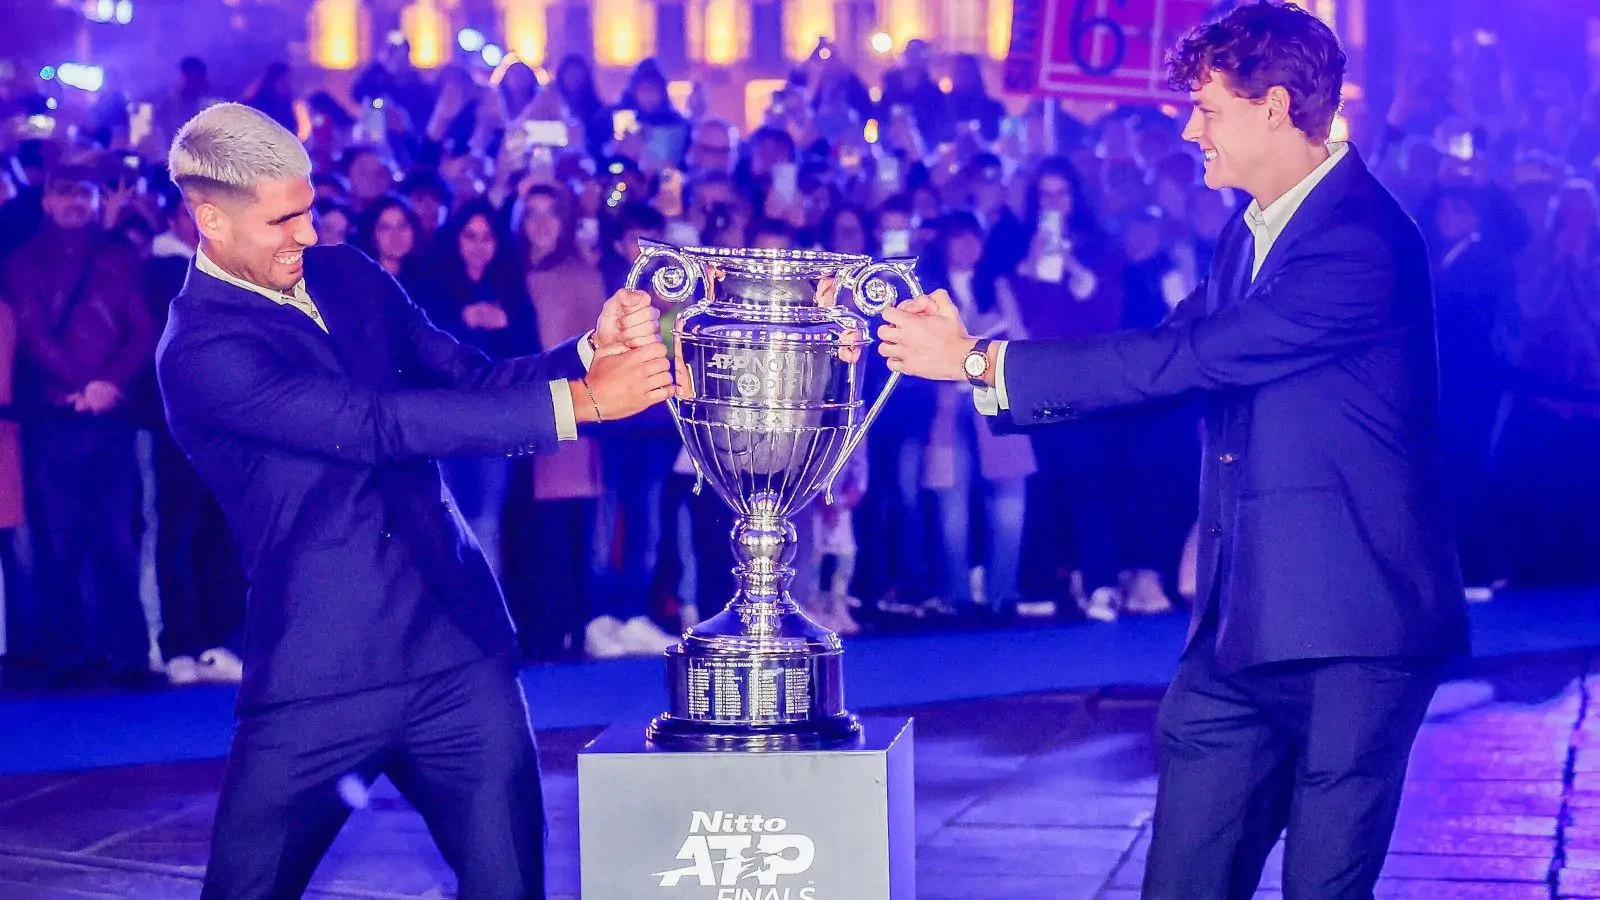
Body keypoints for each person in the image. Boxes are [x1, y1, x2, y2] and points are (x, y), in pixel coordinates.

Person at [876, 4, 1468, 897]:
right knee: (1183, 879)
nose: (1190, 129)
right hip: (1241, 627)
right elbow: (1160, 358)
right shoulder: (1248, 233)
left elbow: (1193, 357)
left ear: (1275, 108)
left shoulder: (1362, 242)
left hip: (1356, 631)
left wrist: (976, 361)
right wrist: (984, 360)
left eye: (1207, 109)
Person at [156, 103, 671, 900]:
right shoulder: (200, 350)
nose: (304, 233)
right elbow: (373, 425)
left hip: (460, 654)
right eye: (282, 220)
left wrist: (587, 351)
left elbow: (467, 379)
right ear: (210, 220)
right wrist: (582, 403)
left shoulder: (349, 272)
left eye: (310, 210)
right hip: (323, 674)